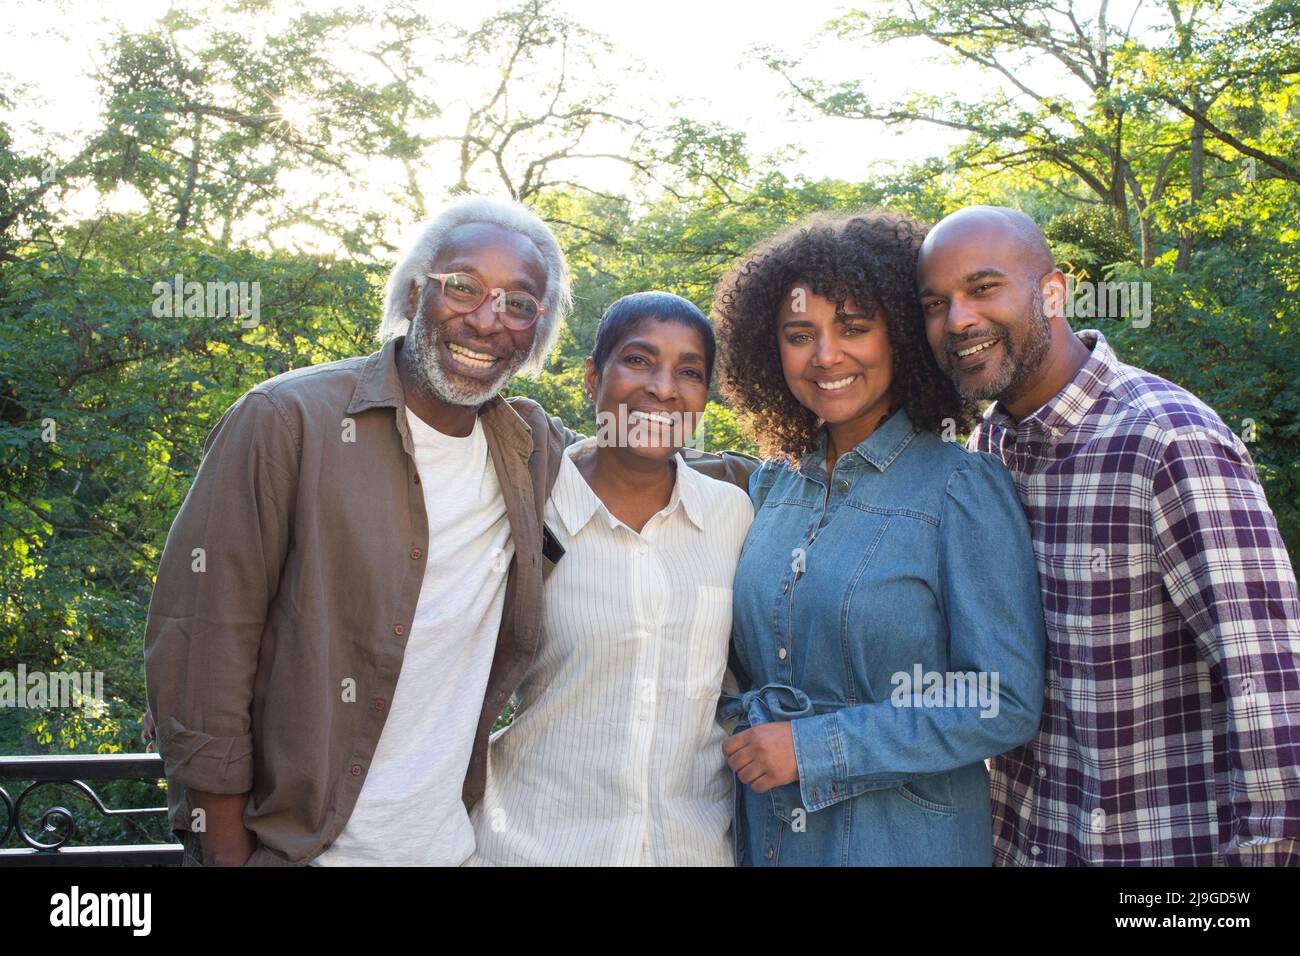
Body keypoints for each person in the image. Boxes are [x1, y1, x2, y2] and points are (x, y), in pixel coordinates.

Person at [144, 195, 579, 866]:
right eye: (462, 287)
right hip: (298, 852)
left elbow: (660, 464)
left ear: (536, 333)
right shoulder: (285, 422)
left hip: (450, 850)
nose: (488, 320)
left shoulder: (529, 448)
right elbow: (202, 646)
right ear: (413, 293)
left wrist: (789, 470)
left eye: (519, 303)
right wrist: (226, 853)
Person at [917, 204, 1300, 866]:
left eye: (983, 288)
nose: (958, 321)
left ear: (1054, 292)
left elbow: (1267, 684)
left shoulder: (1167, 439)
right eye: (935, 303)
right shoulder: (986, 451)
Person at [712, 210, 1047, 866]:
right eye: (799, 334)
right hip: (772, 835)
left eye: (855, 329)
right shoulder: (771, 489)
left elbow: (1003, 700)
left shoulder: (960, 486)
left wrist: (814, 750)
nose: (826, 356)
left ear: (899, 337)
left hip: (901, 839)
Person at [467, 292, 753, 866]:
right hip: (532, 845)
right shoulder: (527, 510)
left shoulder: (736, 516)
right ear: (592, 376)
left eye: (689, 371)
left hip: (692, 851)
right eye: (639, 360)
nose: (663, 388)